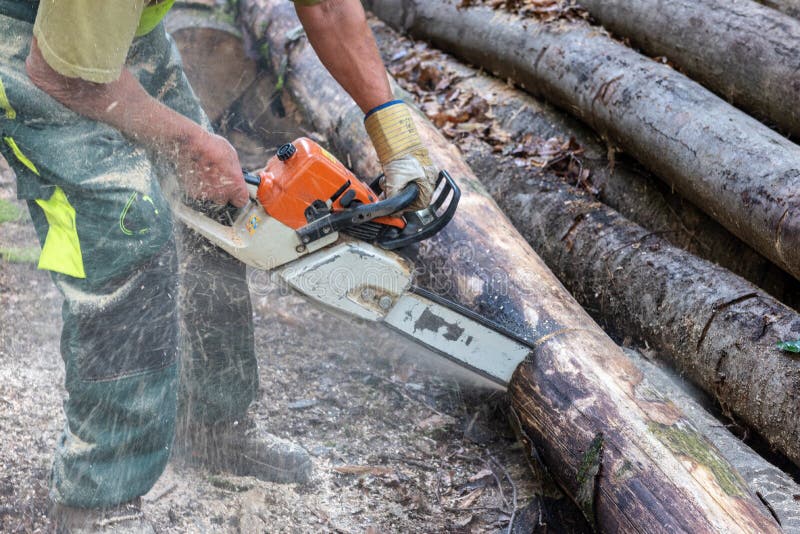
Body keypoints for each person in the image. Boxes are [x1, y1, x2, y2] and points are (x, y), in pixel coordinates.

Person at [0, 0, 436, 531]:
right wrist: (190, 141)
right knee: (125, 225)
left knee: (219, 211)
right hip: (33, 45)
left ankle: (213, 425)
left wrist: (396, 132)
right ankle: (97, 495)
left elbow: (326, 5)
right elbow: (59, 69)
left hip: (113, 33)